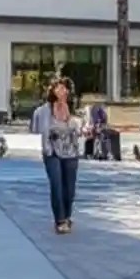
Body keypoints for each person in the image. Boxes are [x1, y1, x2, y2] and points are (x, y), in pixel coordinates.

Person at [30, 77, 84, 233]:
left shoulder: (75, 109)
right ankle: (60, 220)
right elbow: (37, 128)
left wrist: (74, 121)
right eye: (59, 88)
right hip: (52, 152)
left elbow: (81, 129)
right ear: (52, 91)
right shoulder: (43, 111)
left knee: (70, 188)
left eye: (65, 88)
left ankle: (66, 216)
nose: (62, 91)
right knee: (56, 185)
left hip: (71, 152)